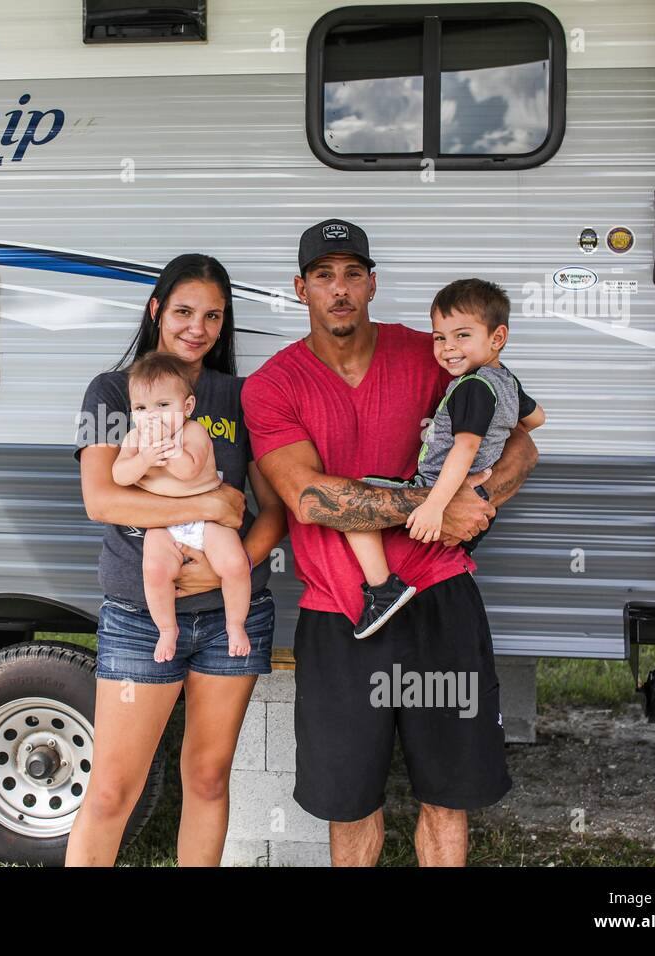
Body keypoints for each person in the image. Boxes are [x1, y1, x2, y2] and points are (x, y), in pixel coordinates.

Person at [241, 219, 539, 867]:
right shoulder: (272, 385)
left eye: (352, 274)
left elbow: (522, 442)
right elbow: (308, 498)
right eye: (323, 276)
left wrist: (480, 500)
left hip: (439, 604)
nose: (339, 289)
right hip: (342, 615)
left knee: (447, 798)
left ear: (372, 283)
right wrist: (432, 506)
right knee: (351, 806)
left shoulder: (431, 356)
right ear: (301, 288)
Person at [66, 253, 287, 867]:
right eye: (185, 311)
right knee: (113, 789)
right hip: (141, 614)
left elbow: (273, 511)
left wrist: (229, 560)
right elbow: (102, 498)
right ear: (156, 310)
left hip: (231, 615)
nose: (198, 327)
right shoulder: (114, 390)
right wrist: (214, 499)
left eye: (214, 316)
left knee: (209, 778)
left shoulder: (243, 397)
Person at [345, 277, 547, 639]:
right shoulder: (507, 383)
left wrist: (435, 504)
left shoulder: (472, 386)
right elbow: (536, 419)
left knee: (354, 503)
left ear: (497, 338)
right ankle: (454, 566)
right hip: (476, 500)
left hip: (432, 487)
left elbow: (463, 449)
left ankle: (382, 590)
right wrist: (495, 445)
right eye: (440, 337)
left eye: (462, 336)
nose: (448, 348)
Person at [112, 352, 253, 663]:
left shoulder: (193, 432)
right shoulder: (135, 439)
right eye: (141, 408)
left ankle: (235, 625)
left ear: (187, 407)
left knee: (235, 565)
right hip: (163, 523)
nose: (152, 416)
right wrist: (143, 459)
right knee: (155, 569)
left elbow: (188, 471)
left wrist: (169, 448)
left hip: (208, 519)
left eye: (163, 406)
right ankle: (167, 628)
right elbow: (120, 476)